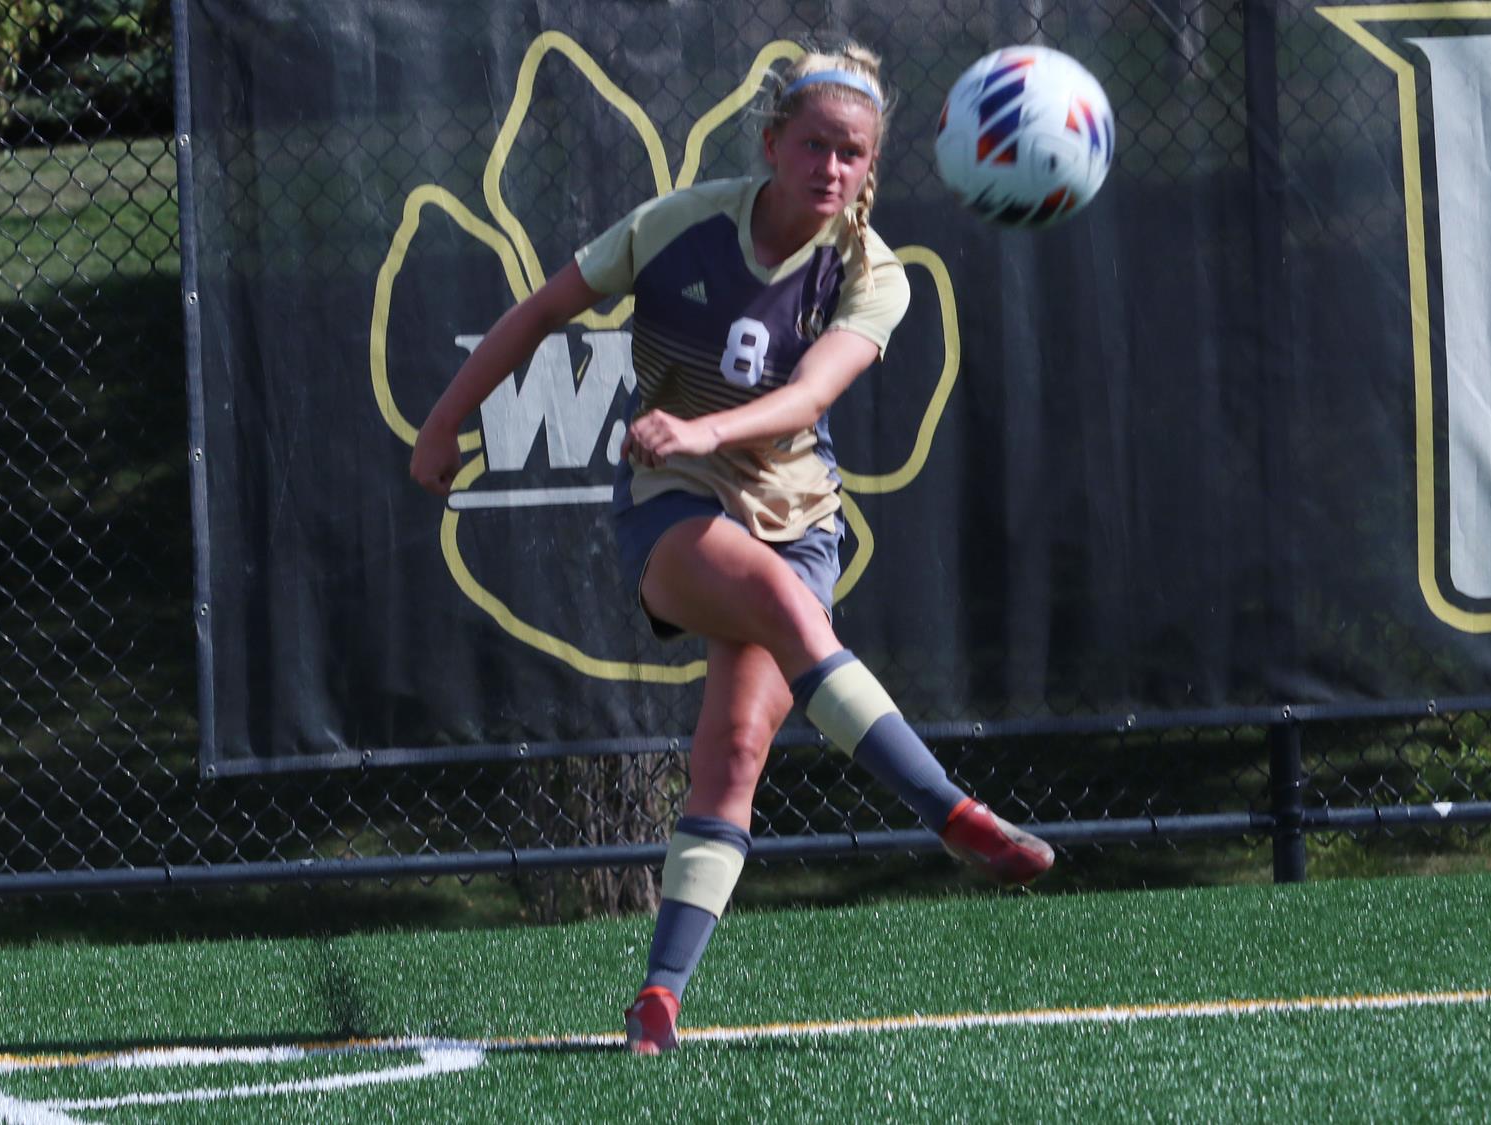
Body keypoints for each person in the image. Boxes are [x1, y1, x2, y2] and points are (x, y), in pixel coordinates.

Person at [410, 42, 1054, 1055]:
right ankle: (951, 814)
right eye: (811, 145)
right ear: (770, 144)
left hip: (797, 514)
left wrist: (706, 427)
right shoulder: (680, 226)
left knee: (737, 753)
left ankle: (657, 998)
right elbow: (543, 310)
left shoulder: (870, 274)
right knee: (787, 615)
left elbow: (808, 396)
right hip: (674, 501)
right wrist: (444, 422)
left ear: (869, 166)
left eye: (850, 153)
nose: (828, 168)